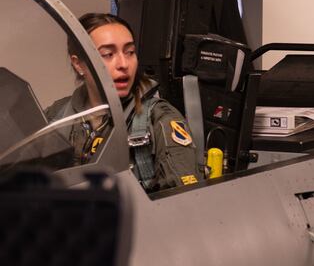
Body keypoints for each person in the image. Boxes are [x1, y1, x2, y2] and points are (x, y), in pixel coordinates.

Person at [45, 12, 201, 192]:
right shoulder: (56, 116)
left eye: (130, 52)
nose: (123, 64)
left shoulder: (160, 120)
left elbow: (185, 203)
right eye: (108, 54)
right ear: (78, 64)